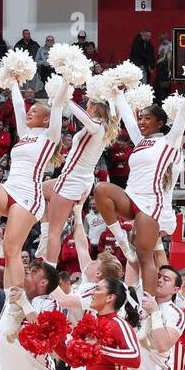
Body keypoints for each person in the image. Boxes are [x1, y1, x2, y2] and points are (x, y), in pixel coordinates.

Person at [95, 82, 185, 295]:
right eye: (141, 118)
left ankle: (150, 308)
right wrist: (118, 95)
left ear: (160, 122)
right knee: (101, 189)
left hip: (152, 207)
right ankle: (122, 242)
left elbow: (183, 112)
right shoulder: (140, 141)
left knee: (145, 258)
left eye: (147, 118)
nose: (142, 122)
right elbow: (127, 115)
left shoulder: (169, 141)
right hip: (131, 198)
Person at [0, 73, 68, 291]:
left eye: (35, 111)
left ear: (46, 119)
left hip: (29, 198)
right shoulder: (25, 134)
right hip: (9, 190)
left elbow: (56, 106)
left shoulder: (50, 136)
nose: (29, 112)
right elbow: (18, 106)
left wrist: (66, 80)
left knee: (11, 252)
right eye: (30, 110)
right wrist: (14, 81)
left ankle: (16, 301)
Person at [37, 95, 119, 268]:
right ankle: (44, 234)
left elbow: (85, 118)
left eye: (88, 104)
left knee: (55, 232)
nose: (86, 106)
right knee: (36, 189)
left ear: (96, 108)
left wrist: (64, 97)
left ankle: (49, 272)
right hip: (77, 180)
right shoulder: (102, 127)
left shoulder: (97, 125)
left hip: (72, 180)